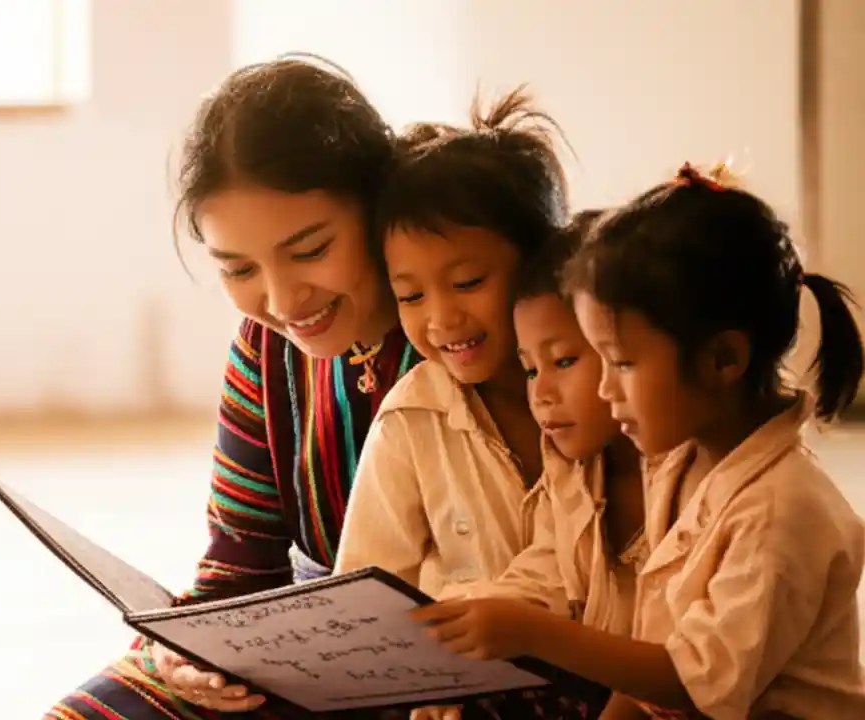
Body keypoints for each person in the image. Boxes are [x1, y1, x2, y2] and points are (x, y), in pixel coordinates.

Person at [415, 163, 865, 719]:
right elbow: (647, 666)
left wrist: (531, 631)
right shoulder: (681, 462)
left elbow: (687, 680)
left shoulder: (782, 512)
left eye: (622, 363)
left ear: (723, 358)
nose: (605, 388)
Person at [47, 54, 420, 719]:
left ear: (377, 206)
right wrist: (186, 650)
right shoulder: (266, 347)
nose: (282, 301)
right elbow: (239, 567)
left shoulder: (463, 336)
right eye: (238, 268)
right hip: (305, 667)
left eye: (309, 251)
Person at [336, 90, 607, 717]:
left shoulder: (611, 393)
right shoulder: (410, 420)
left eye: (467, 283)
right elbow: (361, 601)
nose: (441, 319)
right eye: (410, 296)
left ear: (541, 263)